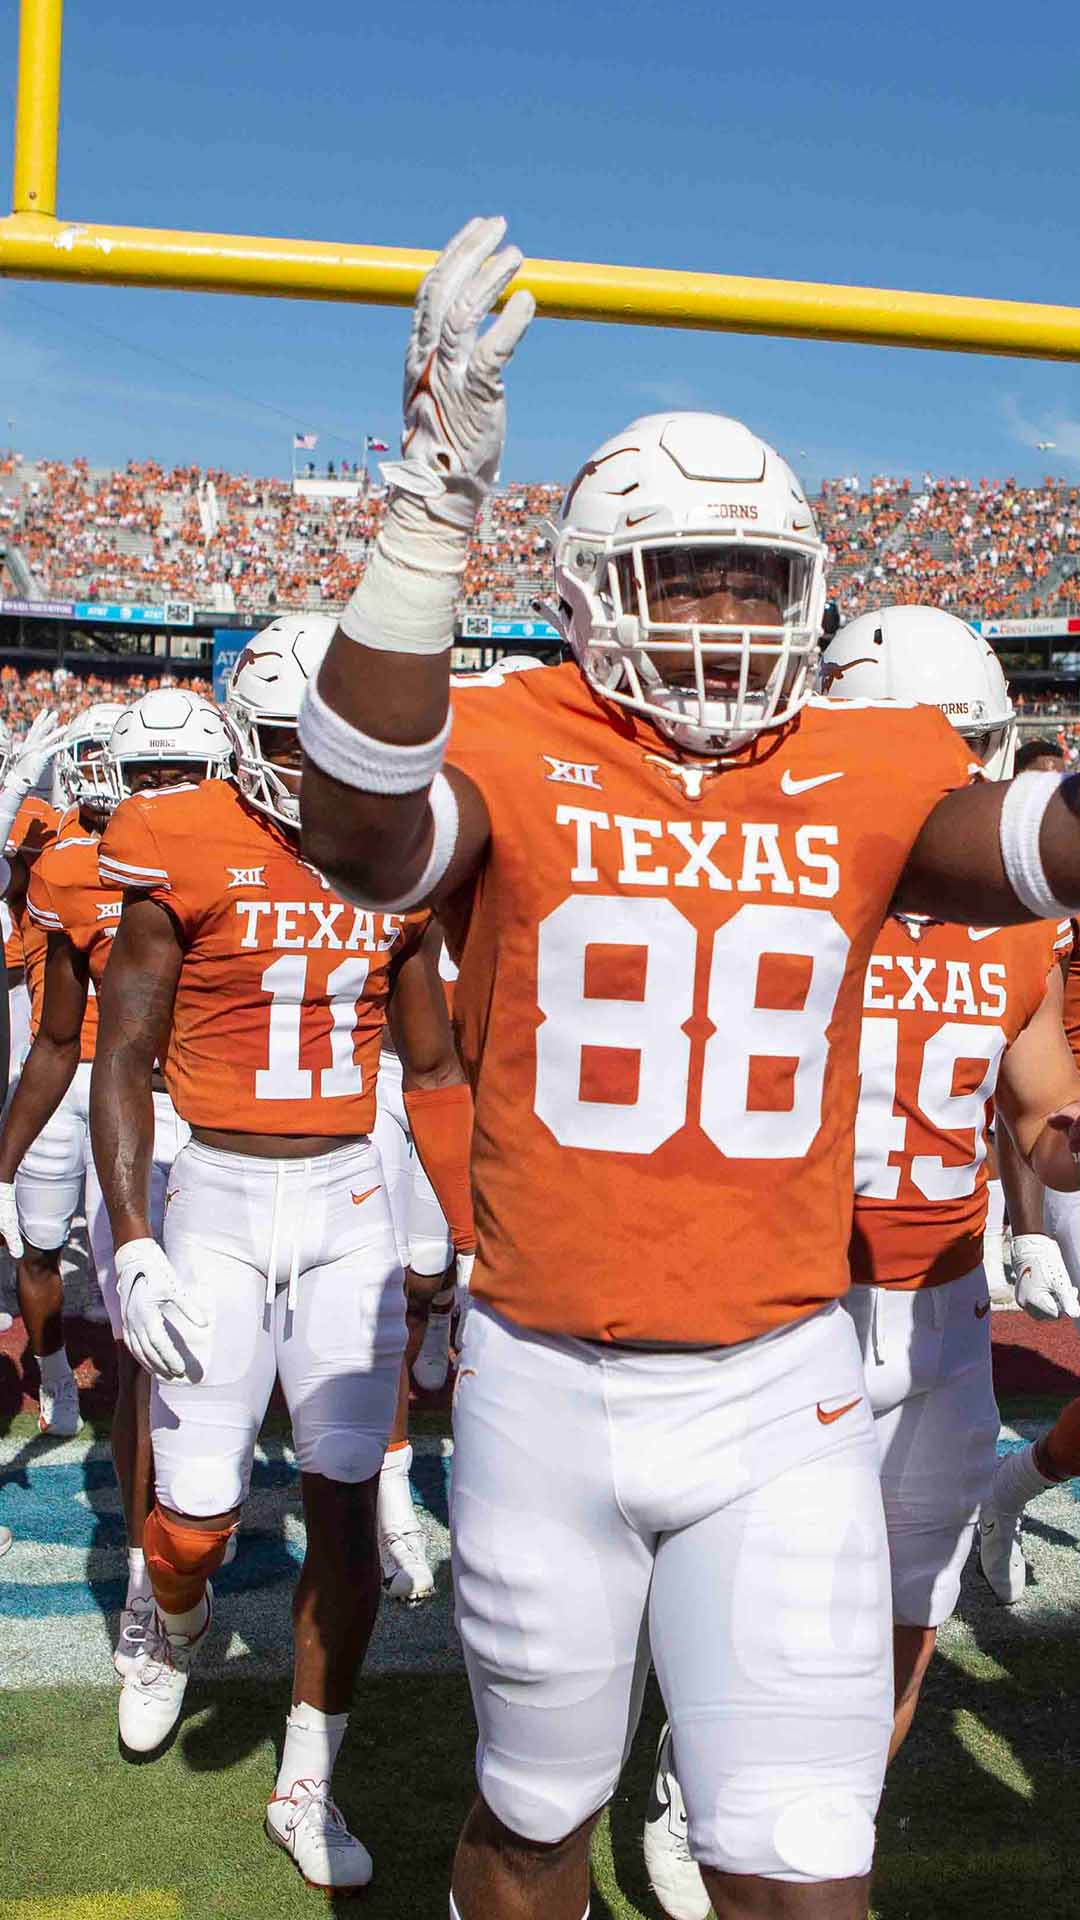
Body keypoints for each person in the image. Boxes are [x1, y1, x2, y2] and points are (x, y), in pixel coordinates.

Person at [297, 218, 1080, 1920]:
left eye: (753, 576)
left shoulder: (871, 761)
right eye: (684, 575)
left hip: (778, 1392)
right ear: (586, 588)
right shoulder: (508, 733)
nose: (723, 614)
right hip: (540, 1381)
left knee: (805, 1868)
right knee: (532, 1824)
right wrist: (433, 499)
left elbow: (1051, 847)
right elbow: (359, 833)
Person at [641, 605, 1079, 1919]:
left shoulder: (1013, 939)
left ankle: (843, 1821)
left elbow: (1038, 1112)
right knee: (769, 1602)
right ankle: (693, 1779)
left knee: (910, 1594)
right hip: (797, 1303)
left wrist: (1059, 1163)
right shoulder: (793, 885)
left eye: (969, 766)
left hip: (941, 1308)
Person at [91, 613, 473, 1894]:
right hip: (219, 1200)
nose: (313, 779)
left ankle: (308, 1772)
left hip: (349, 1199)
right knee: (194, 1523)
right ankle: (172, 1611)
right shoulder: (177, 838)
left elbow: (430, 1066)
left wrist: (467, 1231)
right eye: (288, 749)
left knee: (347, 1505)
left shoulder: (404, 861)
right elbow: (123, 1055)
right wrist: (136, 1237)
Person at [0, 691, 231, 1668]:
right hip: (120, 1095)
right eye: (144, 777)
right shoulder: (68, 868)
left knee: (213, 1332)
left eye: (178, 776)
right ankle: (149, 1560)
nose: (159, 795)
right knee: (117, 1315)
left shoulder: (257, 856)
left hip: (224, 1106)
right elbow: (59, 1034)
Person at [0, 705, 120, 1434]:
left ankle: (143, 1383)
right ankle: (52, 1373)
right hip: (57, 1071)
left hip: (145, 1080)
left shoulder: (183, 844)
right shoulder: (44, 834)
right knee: (40, 1245)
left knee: (144, 1249)